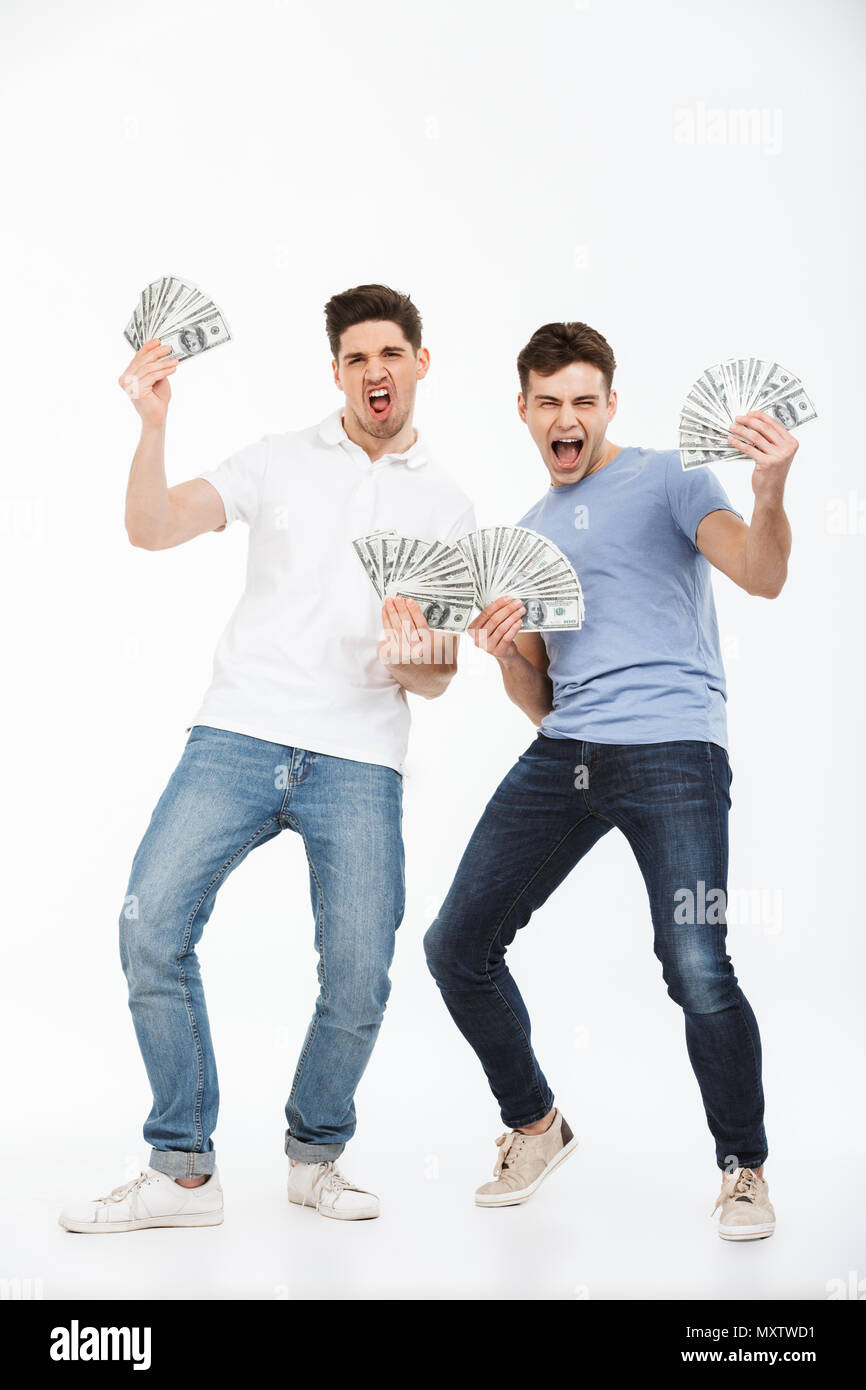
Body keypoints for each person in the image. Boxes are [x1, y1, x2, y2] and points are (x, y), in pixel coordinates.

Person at [59, 284, 475, 1233]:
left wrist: (416, 647)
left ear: (420, 363)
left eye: (391, 354)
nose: (376, 370)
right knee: (150, 926)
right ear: (337, 372)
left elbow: (441, 678)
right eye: (357, 357)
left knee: (361, 973)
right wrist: (152, 423)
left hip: (361, 756)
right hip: (239, 732)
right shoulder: (277, 461)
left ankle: (315, 1155)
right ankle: (183, 1172)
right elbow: (152, 525)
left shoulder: (450, 504)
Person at [424, 320, 797, 1239]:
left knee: (696, 962)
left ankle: (742, 1167)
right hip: (570, 753)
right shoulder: (528, 535)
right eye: (549, 402)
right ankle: (536, 1125)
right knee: (455, 945)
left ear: (609, 406)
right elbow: (544, 702)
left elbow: (762, 573)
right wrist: (510, 654)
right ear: (524, 410)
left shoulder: (671, 476)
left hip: (675, 750)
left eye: (583, 400)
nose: (567, 417)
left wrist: (772, 484)